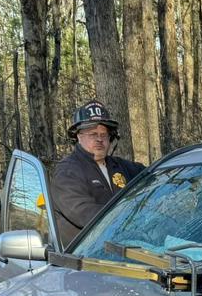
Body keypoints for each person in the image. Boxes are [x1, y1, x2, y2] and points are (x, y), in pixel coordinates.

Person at [51, 100, 146, 247]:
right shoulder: (68, 171)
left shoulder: (121, 166)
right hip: (84, 259)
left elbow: (154, 177)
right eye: (93, 134)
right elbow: (84, 213)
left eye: (104, 134)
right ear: (79, 136)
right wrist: (129, 219)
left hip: (126, 250)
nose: (99, 139)